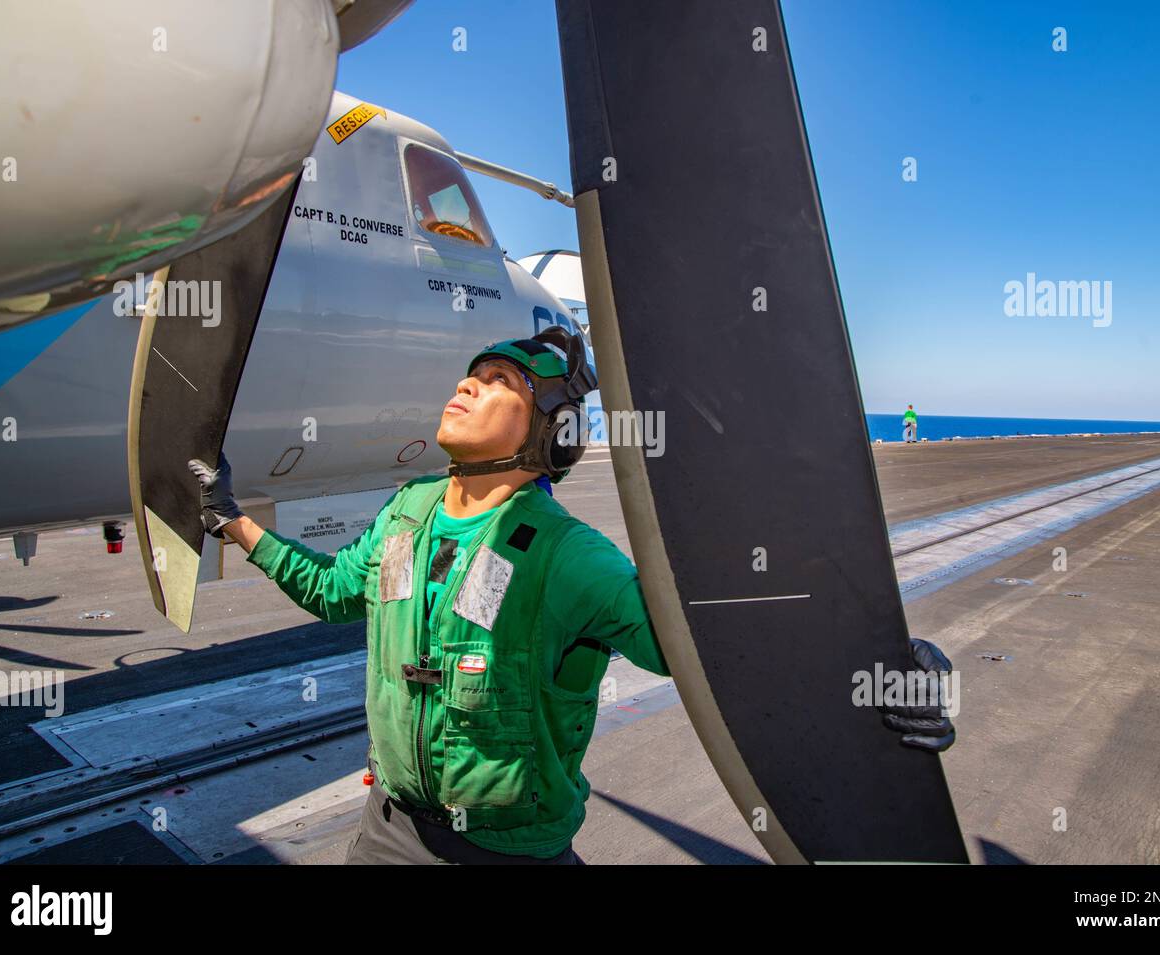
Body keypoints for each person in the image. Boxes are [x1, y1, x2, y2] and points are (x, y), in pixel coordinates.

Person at [188, 328, 955, 865]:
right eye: (472, 373)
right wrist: (233, 522)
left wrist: (871, 674)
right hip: (386, 835)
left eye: (499, 383)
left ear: (550, 434)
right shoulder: (405, 514)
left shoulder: (567, 557)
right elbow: (332, 590)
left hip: (508, 852)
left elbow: (706, 653)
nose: (467, 384)